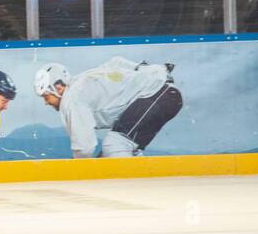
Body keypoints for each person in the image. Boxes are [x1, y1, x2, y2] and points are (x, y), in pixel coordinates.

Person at [34, 56, 182, 158]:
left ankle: (134, 190)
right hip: (165, 94)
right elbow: (115, 63)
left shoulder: (72, 98)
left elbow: (85, 148)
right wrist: (144, 68)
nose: (46, 102)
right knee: (114, 152)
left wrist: (76, 173)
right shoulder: (83, 81)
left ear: (59, 88)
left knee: (115, 145)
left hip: (158, 93)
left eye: (46, 96)